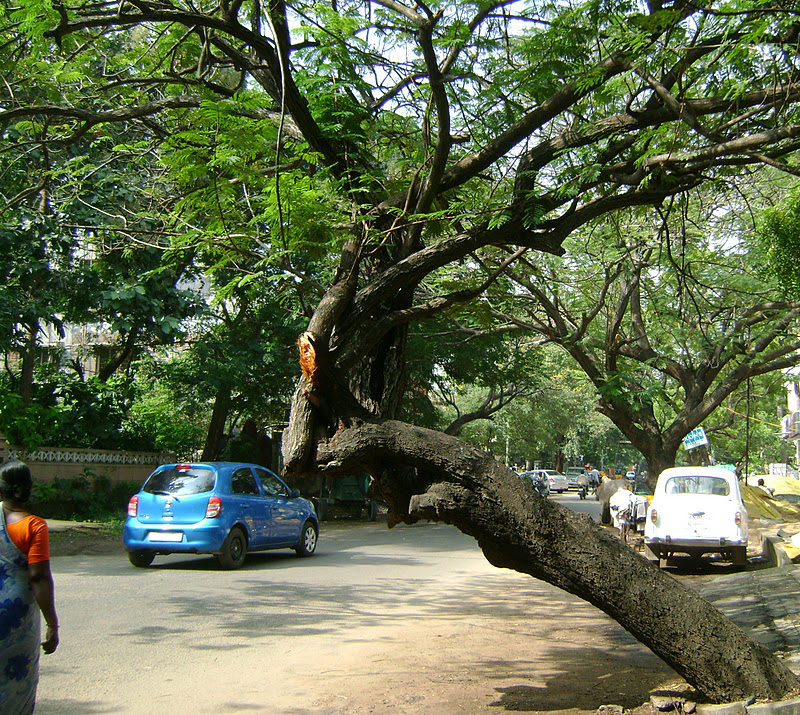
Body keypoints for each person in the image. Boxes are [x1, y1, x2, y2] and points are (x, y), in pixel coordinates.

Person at [0, 460, 59, 713]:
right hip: (16, 619)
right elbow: (39, 578)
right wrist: (52, 625)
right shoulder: (33, 526)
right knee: (17, 684)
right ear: (28, 489)